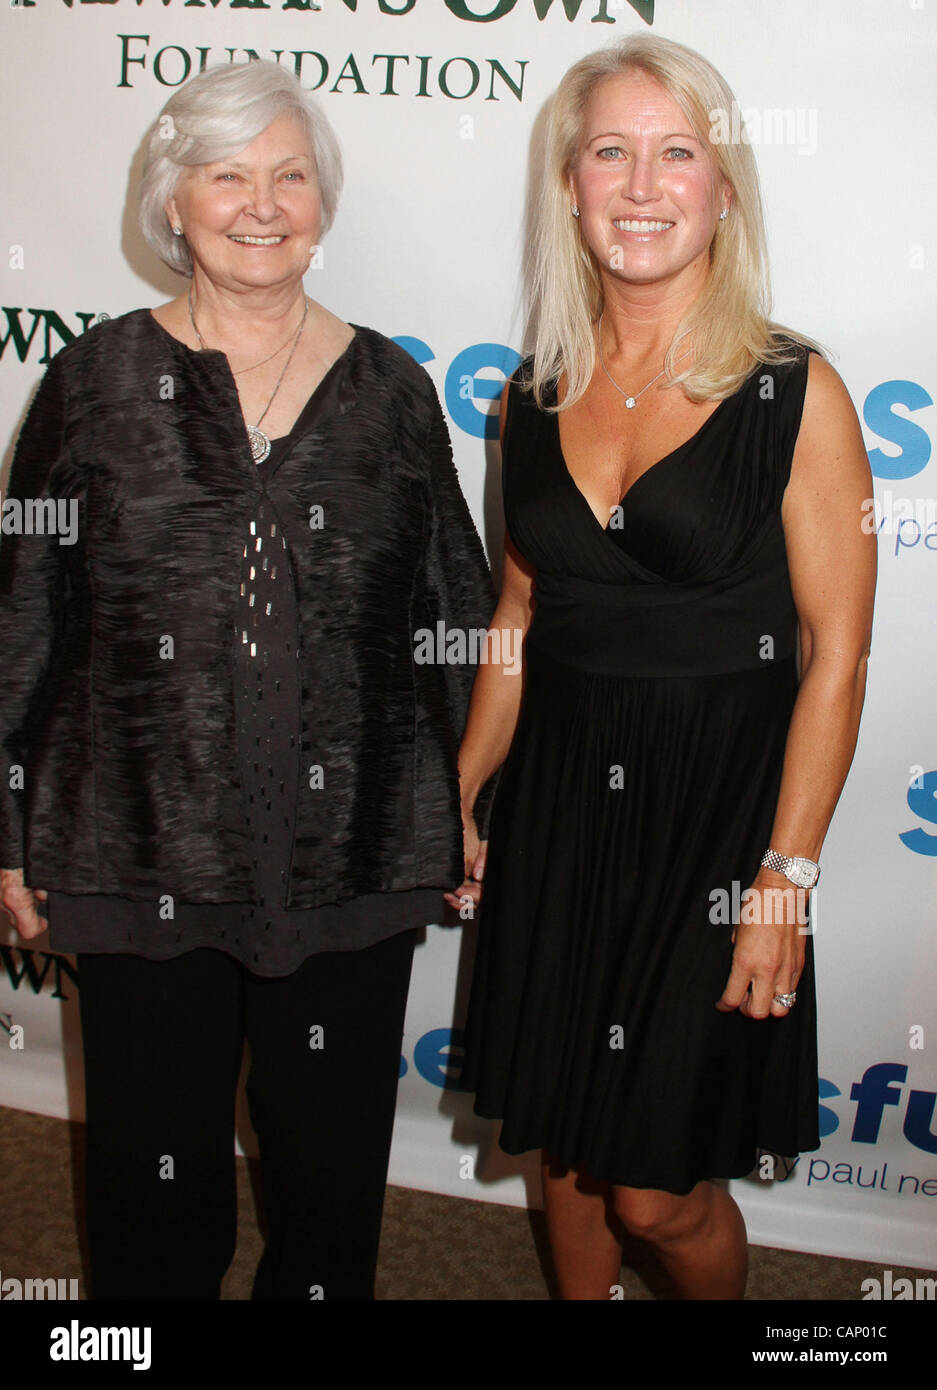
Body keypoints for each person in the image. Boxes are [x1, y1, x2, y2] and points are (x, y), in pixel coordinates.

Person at [0, 59, 496, 1301]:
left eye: (289, 176)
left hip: (354, 851)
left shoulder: (391, 391)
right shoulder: (92, 385)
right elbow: (23, 619)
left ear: (322, 205)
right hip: (138, 848)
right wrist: (10, 831)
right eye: (227, 175)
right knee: (150, 1193)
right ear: (173, 203)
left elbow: (456, 616)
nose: (260, 204)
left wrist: (473, 800)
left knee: (328, 1195)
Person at [448, 34, 876, 1300]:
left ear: (725, 188)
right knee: (569, 1152)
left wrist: (783, 877)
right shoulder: (527, 395)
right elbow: (518, 616)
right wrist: (468, 786)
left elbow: (837, 655)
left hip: (713, 829)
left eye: (676, 152)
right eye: (611, 153)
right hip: (561, 812)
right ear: (570, 188)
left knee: (655, 1185)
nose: (642, 185)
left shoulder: (797, 393)